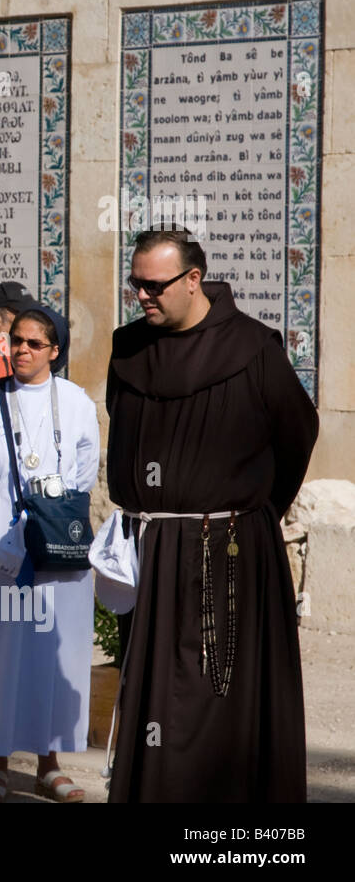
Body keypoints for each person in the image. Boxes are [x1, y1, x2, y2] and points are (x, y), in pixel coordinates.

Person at [105, 230, 318, 802]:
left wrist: (251, 512)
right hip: (153, 550)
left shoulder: (253, 348)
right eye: (136, 284)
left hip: (230, 547)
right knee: (154, 697)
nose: (143, 296)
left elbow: (297, 435)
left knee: (220, 694)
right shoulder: (128, 348)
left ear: (193, 279)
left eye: (154, 286)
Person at [0, 306, 99, 802]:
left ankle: (49, 761)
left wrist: (47, 515)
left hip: (55, 533)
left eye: (34, 343)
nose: (22, 350)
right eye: (16, 341)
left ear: (55, 351)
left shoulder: (76, 402)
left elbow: (84, 470)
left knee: (50, 648)